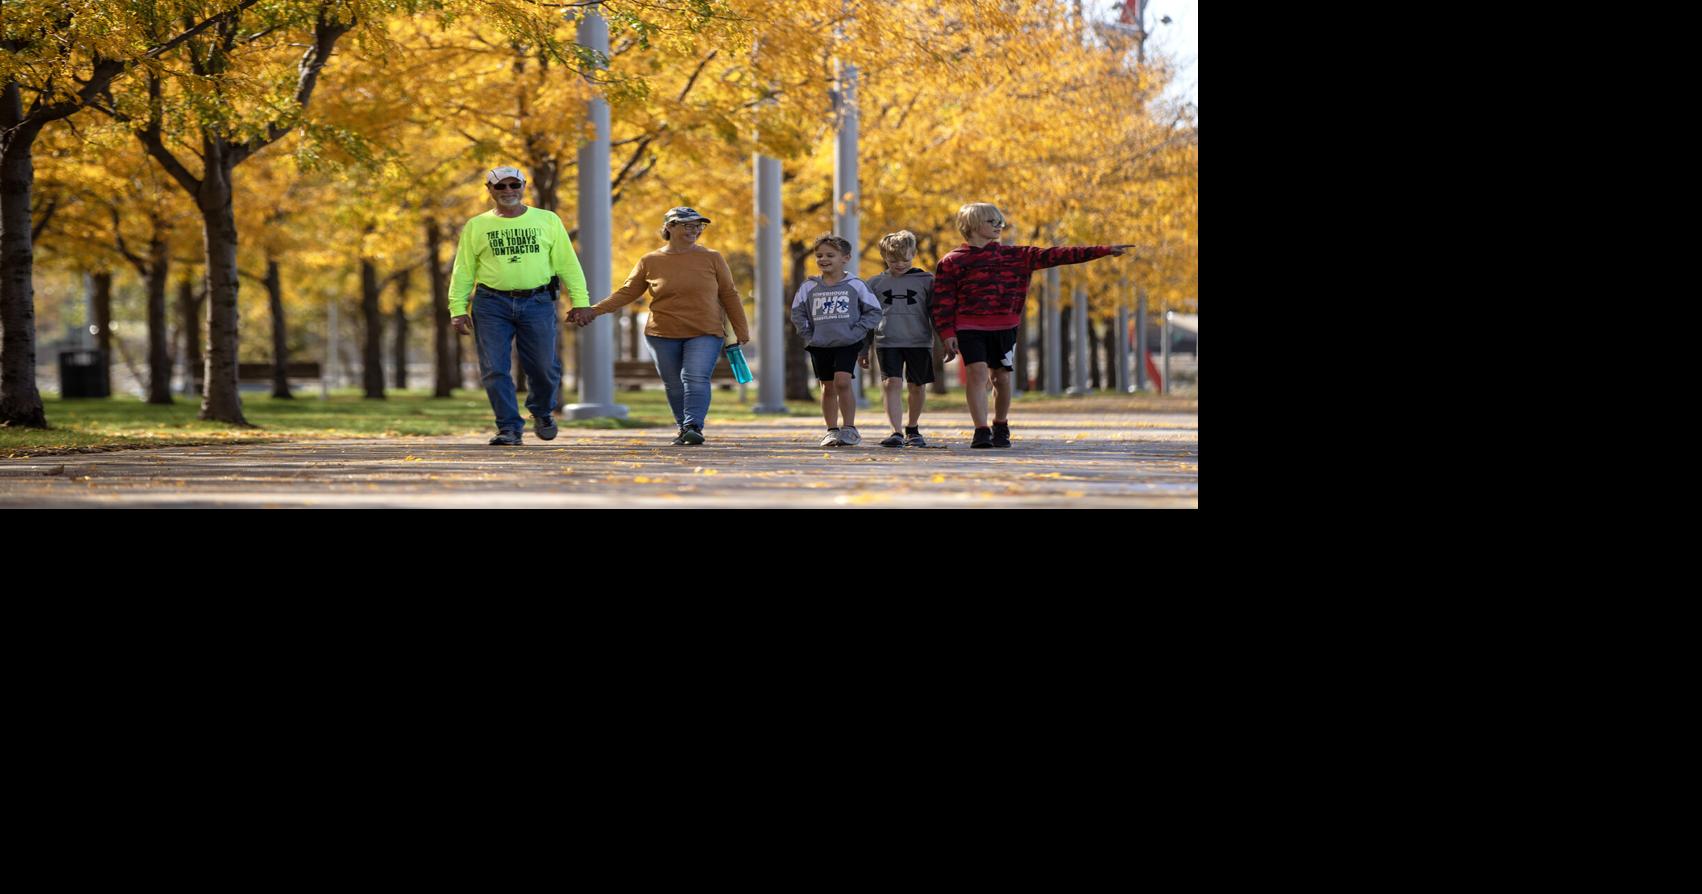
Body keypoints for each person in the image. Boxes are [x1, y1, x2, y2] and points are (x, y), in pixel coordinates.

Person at [931, 202, 1135, 448]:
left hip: (1005, 326)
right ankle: (981, 430)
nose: (999, 226)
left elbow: (1058, 255)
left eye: (1001, 222)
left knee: (1001, 379)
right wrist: (946, 333)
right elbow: (942, 300)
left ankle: (1001, 423)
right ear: (972, 225)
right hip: (969, 326)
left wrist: (1103, 250)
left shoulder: (1017, 256)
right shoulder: (952, 261)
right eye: (992, 222)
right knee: (977, 374)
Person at [567, 207, 750, 445]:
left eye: (698, 225)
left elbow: (729, 294)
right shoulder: (650, 261)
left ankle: (694, 425)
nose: (694, 230)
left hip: (705, 330)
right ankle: (683, 427)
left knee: (694, 377)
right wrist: (593, 310)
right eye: (687, 225)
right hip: (662, 333)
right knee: (674, 383)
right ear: (669, 227)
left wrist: (741, 328)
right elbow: (626, 293)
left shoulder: (712, 257)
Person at [448, 165, 590, 446]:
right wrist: (457, 308)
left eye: (514, 185)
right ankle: (509, 428)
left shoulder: (547, 220)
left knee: (543, 366)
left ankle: (541, 411)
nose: (508, 191)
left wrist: (581, 301)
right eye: (500, 186)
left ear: (525, 187)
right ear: (489, 190)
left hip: (538, 301)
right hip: (491, 303)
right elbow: (463, 269)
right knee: (494, 368)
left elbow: (567, 264)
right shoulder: (477, 225)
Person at [790, 234, 882, 448]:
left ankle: (849, 428)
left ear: (845, 258)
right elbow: (797, 312)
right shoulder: (808, 287)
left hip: (847, 343)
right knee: (827, 386)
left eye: (830, 255)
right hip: (819, 343)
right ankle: (831, 431)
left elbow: (874, 311)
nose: (824, 259)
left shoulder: (855, 285)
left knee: (842, 381)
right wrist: (808, 334)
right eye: (819, 255)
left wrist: (856, 331)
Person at [863, 230, 936, 448]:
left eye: (905, 259)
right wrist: (863, 348)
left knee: (917, 385)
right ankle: (895, 431)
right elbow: (868, 316)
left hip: (919, 341)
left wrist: (949, 339)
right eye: (894, 260)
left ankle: (912, 428)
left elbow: (937, 312)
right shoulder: (874, 283)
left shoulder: (927, 280)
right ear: (884, 256)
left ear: (914, 253)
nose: (900, 264)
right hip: (887, 341)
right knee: (891, 383)